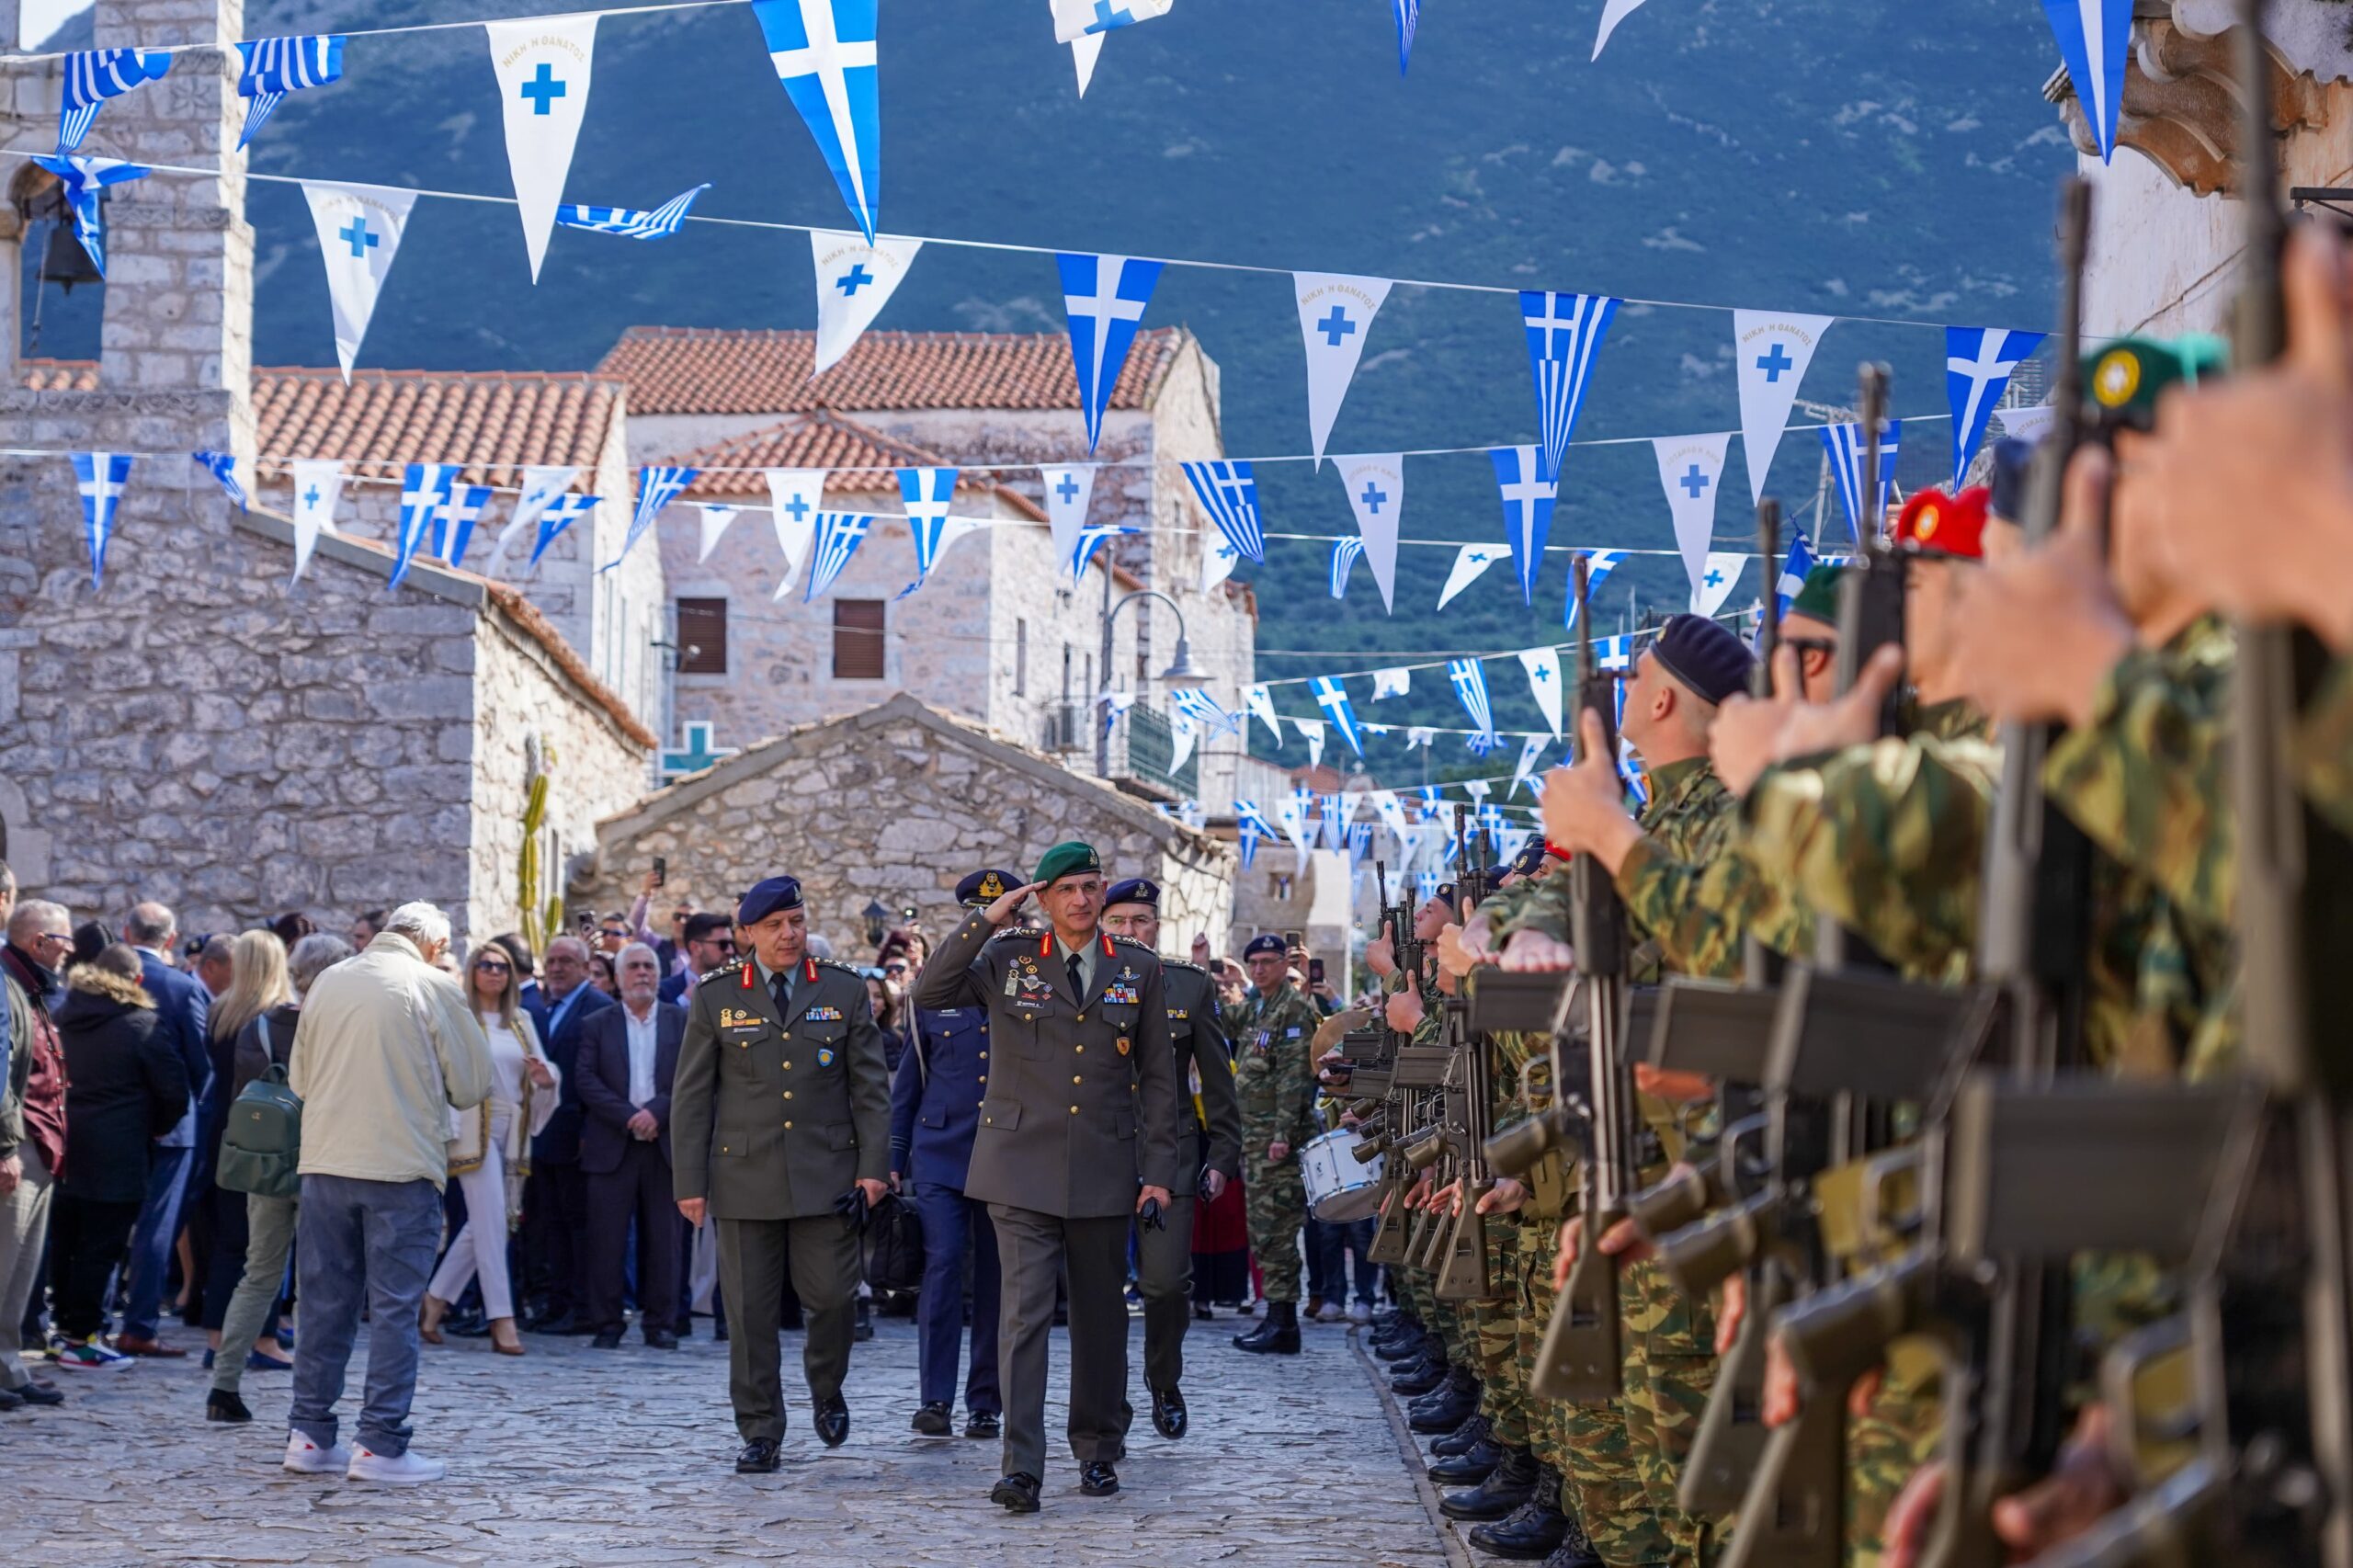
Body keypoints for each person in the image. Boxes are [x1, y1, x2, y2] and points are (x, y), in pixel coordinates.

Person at [911, 842, 1184, 1514]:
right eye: (1067, 889)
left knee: (1100, 1321)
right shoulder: (1007, 958)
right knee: (1024, 1319)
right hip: (1018, 1167)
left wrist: (1158, 1174)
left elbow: (1157, 1079)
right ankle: (1020, 1467)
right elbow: (929, 990)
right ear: (1043, 896)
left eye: (1092, 886)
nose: (1083, 900)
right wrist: (987, 920)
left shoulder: (1138, 969)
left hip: (1103, 1166)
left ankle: (1096, 1451)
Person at [672, 877, 890, 1471]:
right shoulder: (716, 997)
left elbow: (871, 1090)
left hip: (828, 1179)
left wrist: (875, 1167)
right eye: (774, 925)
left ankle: (826, 1386)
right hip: (743, 1180)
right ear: (747, 934)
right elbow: (692, 1096)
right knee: (749, 1314)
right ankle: (761, 1428)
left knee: (833, 1301)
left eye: (795, 920)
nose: (789, 933)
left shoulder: (842, 990)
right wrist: (689, 1181)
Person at [284, 903, 492, 1485]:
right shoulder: (431, 984)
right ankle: (378, 1444)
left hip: (325, 1164)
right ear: (432, 944)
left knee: (322, 1305)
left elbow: (300, 1079)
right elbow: (473, 1083)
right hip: (400, 1168)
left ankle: (308, 1435)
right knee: (396, 1309)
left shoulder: (329, 979)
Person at [1099, 878, 1242, 1442]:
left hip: (1175, 1152)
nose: (1130, 931)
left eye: (1140, 921)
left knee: (1163, 1284)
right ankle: (1108, 1398)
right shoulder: (1081, 981)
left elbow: (1217, 1076)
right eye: (1119, 922)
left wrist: (1223, 1155)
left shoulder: (1186, 984)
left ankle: (1163, 1378)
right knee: (1101, 1288)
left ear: (1156, 927)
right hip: (1099, 1153)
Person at [888, 868, 1016, 1442]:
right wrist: (893, 1154)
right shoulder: (931, 993)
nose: (986, 927)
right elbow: (908, 1083)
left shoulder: (1027, 986)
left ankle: (985, 1401)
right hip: (939, 1151)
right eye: (976, 917)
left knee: (995, 1278)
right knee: (942, 1267)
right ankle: (935, 1398)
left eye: (997, 916)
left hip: (1005, 1153)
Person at [207, 933, 354, 1424]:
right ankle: (311, 1401)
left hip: (268, 1166)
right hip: (325, 1162)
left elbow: (241, 1096)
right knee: (319, 1284)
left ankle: (223, 1383)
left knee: (258, 1275)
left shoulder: (259, 1027)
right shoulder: (342, 1025)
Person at [48, 944, 188, 1369]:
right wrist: (157, 1125)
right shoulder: (141, 1023)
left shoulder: (61, 1016)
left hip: (66, 1144)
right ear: (137, 980)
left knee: (66, 1243)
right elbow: (174, 1090)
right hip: (119, 1149)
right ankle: (81, 1338)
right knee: (101, 1247)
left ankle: (65, 1331)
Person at [421, 937, 559, 1358]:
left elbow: (543, 1065)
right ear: (472, 971)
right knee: (496, 1222)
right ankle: (503, 1318)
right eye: (486, 965)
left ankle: (435, 1300)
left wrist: (546, 1078)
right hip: (471, 1124)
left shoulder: (519, 1020)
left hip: (511, 1124)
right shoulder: (457, 1018)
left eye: (501, 966)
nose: (494, 972)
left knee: (487, 1222)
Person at [575, 943, 684, 1350]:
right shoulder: (595, 1023)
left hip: (664, 1143)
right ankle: (607, 1324)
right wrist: (628, 1115)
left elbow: (693, 1078)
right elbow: (585, 1080)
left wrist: (656, 1111)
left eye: (649, 967)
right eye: (634, 967)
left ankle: (661, 1325)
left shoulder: (680, 1021)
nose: (642, 973)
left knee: (665, 1242)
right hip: (612, 1144)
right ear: (618, 978)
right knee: (607, 1241)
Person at [116, 902, 210, 1358]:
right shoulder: (180, 986)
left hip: (113, 1120)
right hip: (172, 1128)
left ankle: (94, 1323)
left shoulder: (100, 979)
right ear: (170, 940)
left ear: (125, 931)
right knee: (156, 1225)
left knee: (109, 1221)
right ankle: (140, 1325)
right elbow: (199, 1062)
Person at [199, 931, 296, 1375]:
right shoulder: (275, 1018)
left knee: (229, 1241)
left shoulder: (221, 1011)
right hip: (267, 1134)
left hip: (226, 1130)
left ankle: (217, 1339)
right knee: (268, 1244)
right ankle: (264, 1338)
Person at [1228, 933, 1322, 1357]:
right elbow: (1221, 1019)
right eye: (1255, 962)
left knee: (1279, 1232)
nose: (1261, 969)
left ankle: (1284, 1324)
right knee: (1263, 1233)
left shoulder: (1294, 1008)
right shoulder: (1258, 1006)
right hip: (1255, 1138)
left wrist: (1283, 1136)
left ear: (1286, 964)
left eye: (1269, 961)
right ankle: (1276, 1317)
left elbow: (1294, 1079)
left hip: (1276, 1142)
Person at [520, 935, 614, 1335]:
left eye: (565, 961)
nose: (557, 968)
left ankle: (582, 1307)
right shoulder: (541, 1008)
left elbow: (605, 1073)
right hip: (544, 1135)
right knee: (551, 1225)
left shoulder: (599, 1008)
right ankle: (556, 1304)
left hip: (581, 1136)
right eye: (551, 960)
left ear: (583, 966)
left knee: (580, 1227)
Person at [0, 900, 70, 1406]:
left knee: (21, 1269)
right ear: (39, 942)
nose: (70, 952)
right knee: (3, 1262)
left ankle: (8, 1366)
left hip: (40, 1143)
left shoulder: (31, 987)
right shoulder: (8, 986)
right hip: (18, 1142)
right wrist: (6, 1146)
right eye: (64, 941)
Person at [658, 913, 736, 1006]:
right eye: (723, 944)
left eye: (732, 943)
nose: (730, 951)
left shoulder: (738, 989)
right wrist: (684, 1001)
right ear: (695, 947)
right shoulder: (664, 990)